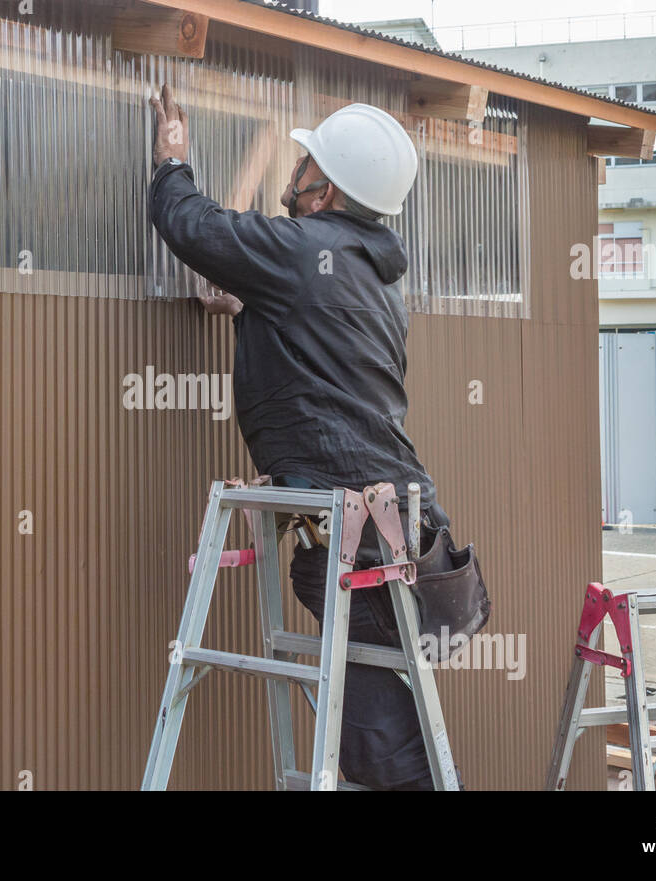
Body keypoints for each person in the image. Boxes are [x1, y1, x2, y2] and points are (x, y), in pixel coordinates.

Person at [147, 84, 447, 789]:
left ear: (324, 192)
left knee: (382, 735)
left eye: (307, 161)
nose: (294, 168)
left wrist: (171, 161)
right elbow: (324, 358)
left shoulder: (302, 248)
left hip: (353, 510)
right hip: (392, 509)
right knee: (379, 699)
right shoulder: (371, 277)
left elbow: (192, 226)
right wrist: (252, 303)